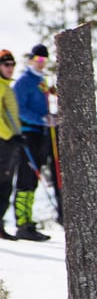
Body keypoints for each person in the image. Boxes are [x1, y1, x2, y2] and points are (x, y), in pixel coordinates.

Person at [12, 44, 57, 240]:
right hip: (28, 133)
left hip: (41, 134)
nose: (41, 64)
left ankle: (28, 222)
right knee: (26, 177)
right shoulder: (24, 81)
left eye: (44, 61)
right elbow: (18, 108)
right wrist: (40, 119)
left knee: (34, 178)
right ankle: (22, 223)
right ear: (31, 60)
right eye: (38, 60)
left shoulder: (42, 81)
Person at [0, 49, 22, 239]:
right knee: (3, 183)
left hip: (9, 142)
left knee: (6, 184)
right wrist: (9, 135)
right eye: (6, 64)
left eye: (12, 64)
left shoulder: (7, 86)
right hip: (3, 141)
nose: (10, 68)